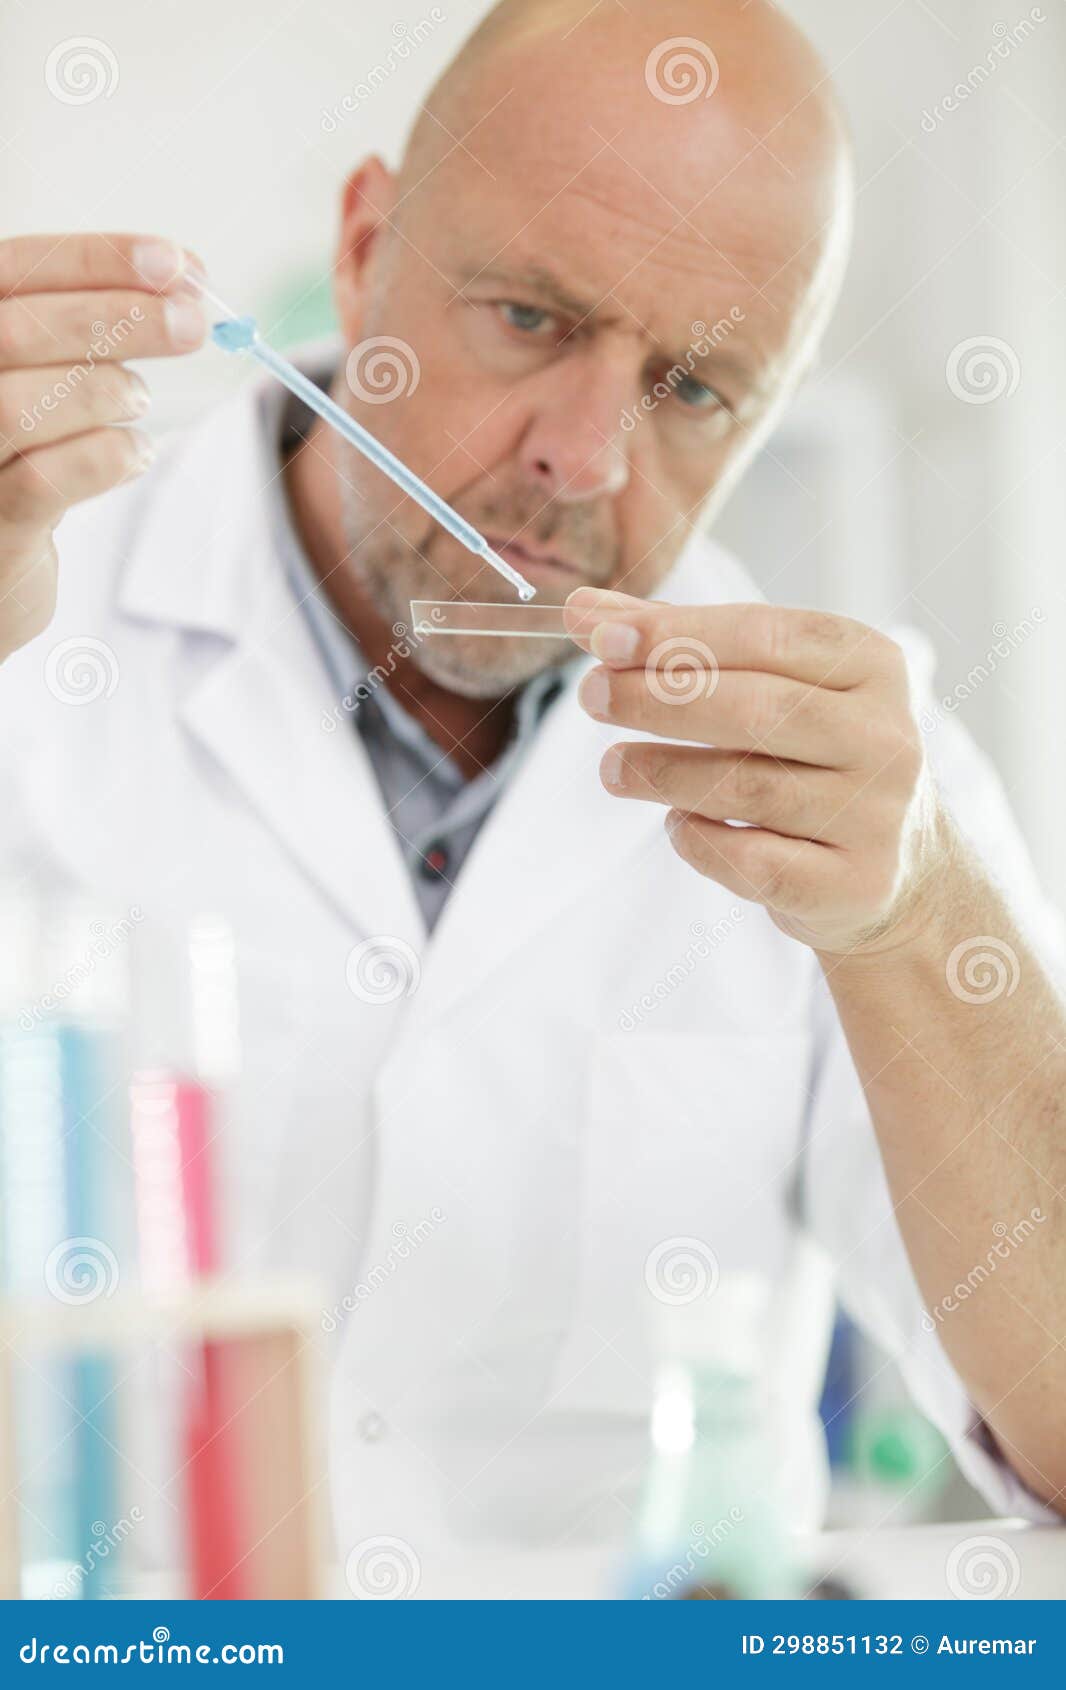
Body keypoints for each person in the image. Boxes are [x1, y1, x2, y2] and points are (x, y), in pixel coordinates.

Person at [0, 0, 1062, 1591]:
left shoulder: (867, 784)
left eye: (694, 387)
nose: (583, 456)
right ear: (365, 248)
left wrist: (914, 928)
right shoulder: (40, 619)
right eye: (527, 318)